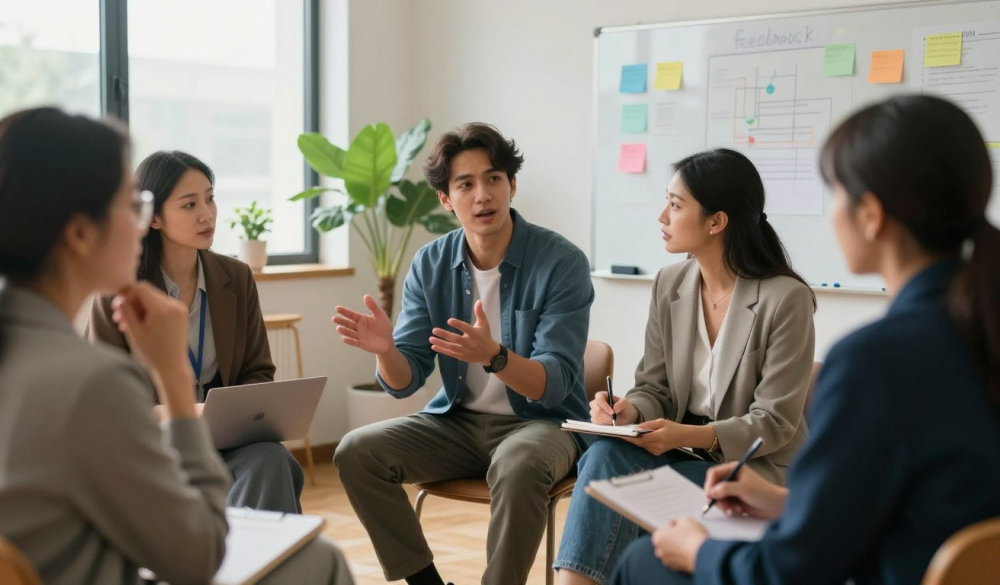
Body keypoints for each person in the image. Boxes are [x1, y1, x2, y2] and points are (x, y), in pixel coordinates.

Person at [611, 95, 1000, 585]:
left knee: (645, 562)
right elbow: (920, 500)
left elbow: (794, 569)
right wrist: (785, 503)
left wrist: (700, 552)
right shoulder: (978, 330)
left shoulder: (873, 362)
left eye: (834, 193)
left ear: (871, 215)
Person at [0, 107, 353, 585]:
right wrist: (174, 378)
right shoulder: (90, 381)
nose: (141, 220)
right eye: (129, 206)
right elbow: (197, 557)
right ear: (78, 233)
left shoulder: (1, 339)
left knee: (276, 480)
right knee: (322, 561)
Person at [332, 123, 594, 585]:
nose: (482, 195)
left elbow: (553, 383)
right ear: (446, 200)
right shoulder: (430, 263)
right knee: (356, 452)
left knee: (518, 464)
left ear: (512, 185)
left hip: (541, 425)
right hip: (457, 424)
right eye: (465, 184)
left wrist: (494, 356)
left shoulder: (561, 262)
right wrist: (386, 352)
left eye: (493, 179)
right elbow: (406, 379)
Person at [554, 148, 816, 585]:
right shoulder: (670, 283)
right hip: (678, 454)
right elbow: (653, 386)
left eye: (675, 205)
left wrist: (687, 435)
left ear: (717, 221)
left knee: (612, 477)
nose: (662, 216)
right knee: (604, 452)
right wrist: (629, 411)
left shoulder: (784, 299)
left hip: (750, 472)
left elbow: (774, 422)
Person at [86, 150, 304, 514]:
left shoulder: (236, 277)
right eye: (189, 205)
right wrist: (185, 412)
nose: (207, 214)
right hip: (154, 445)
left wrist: (234, 416)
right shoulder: (117, 293)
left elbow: (257, 371)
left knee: (270, 459)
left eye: (210, 198)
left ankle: (258, 567)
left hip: (227, 441)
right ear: (153, 218)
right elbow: (103, 402)